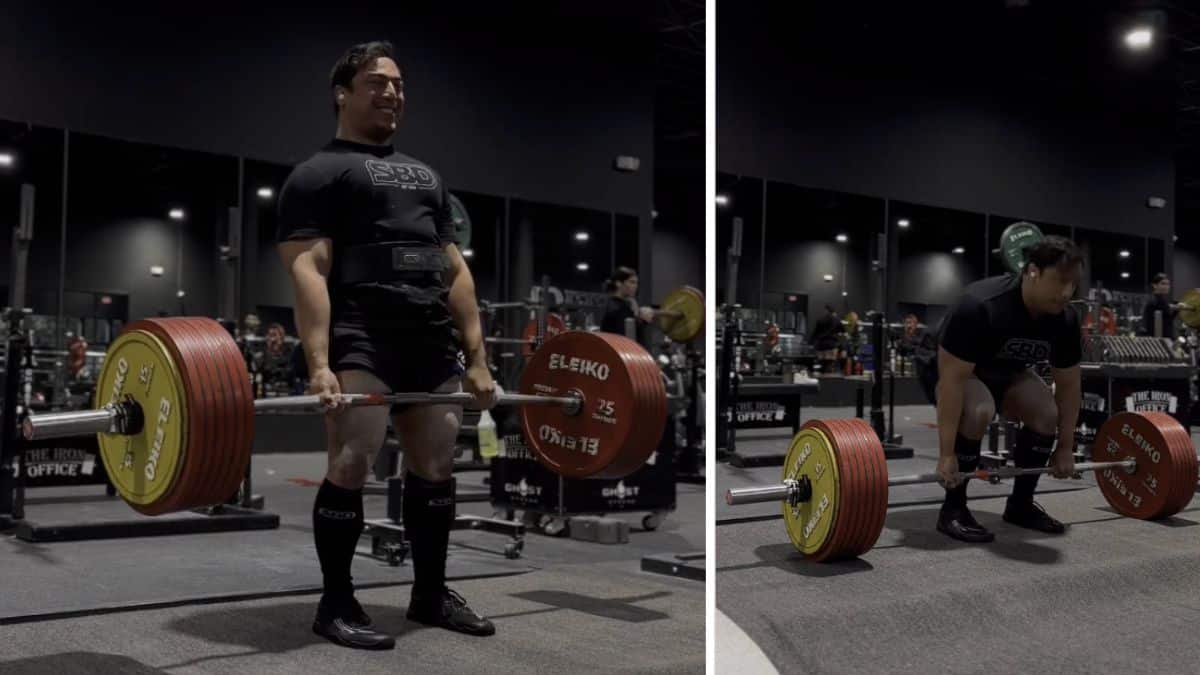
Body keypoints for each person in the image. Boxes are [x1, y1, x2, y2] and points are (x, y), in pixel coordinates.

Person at [276, 40, 497, 650]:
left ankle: (429, 594)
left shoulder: (428, 178)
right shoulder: (316, 174)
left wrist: (477, 357)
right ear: (342, 93)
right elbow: (309, 270)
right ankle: (336, 601)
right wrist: (319, 363)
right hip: (361, 333)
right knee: (353, 459)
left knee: (436, 465)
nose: (392, 92)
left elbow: (455, 271)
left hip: (427, 336)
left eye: (398, 84)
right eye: (377, 82)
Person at [931, 236, 1083, 543]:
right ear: (1032, 272)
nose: (1066, 292)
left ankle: (1021, 505)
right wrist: (946, 454)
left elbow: (1068, 387)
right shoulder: (981, 305)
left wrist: (1065, 447)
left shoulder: (1065, 320)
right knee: (979, 410)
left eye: (1073, 284)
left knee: (1045, 413)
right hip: (957, 372)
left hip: (1007, 372)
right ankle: (953, 508)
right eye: (1059, 282)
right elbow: (952, 381)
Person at [599, 266, 656, 340]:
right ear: (618, 283)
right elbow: (627, 339)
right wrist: (643, 321)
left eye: (636, 283)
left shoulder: (621, 305)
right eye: (632, 282)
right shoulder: (617, 308)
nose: (635, 286)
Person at [1141, 273, 1184, 339]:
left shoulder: (1161, 300)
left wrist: (1177, 309)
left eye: (1168, 284)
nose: (1166, 287)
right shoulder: (1154, 300)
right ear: (1155, 285)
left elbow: (1167, 320)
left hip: (1164, 338)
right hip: (1158, 339)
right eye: (1163, 283)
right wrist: (1177, 308)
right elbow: (1165, 321)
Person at [809, 305, 841, 375]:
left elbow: (815, 333)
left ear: (826, 311)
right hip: (831, 344)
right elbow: (842, 332)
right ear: (833, 312)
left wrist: (811, 343)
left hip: (821, 344)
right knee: (829, 363)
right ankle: (829, 376)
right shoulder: (836, 320)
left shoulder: (820, 319)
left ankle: (822, 376)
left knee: (822, 363)